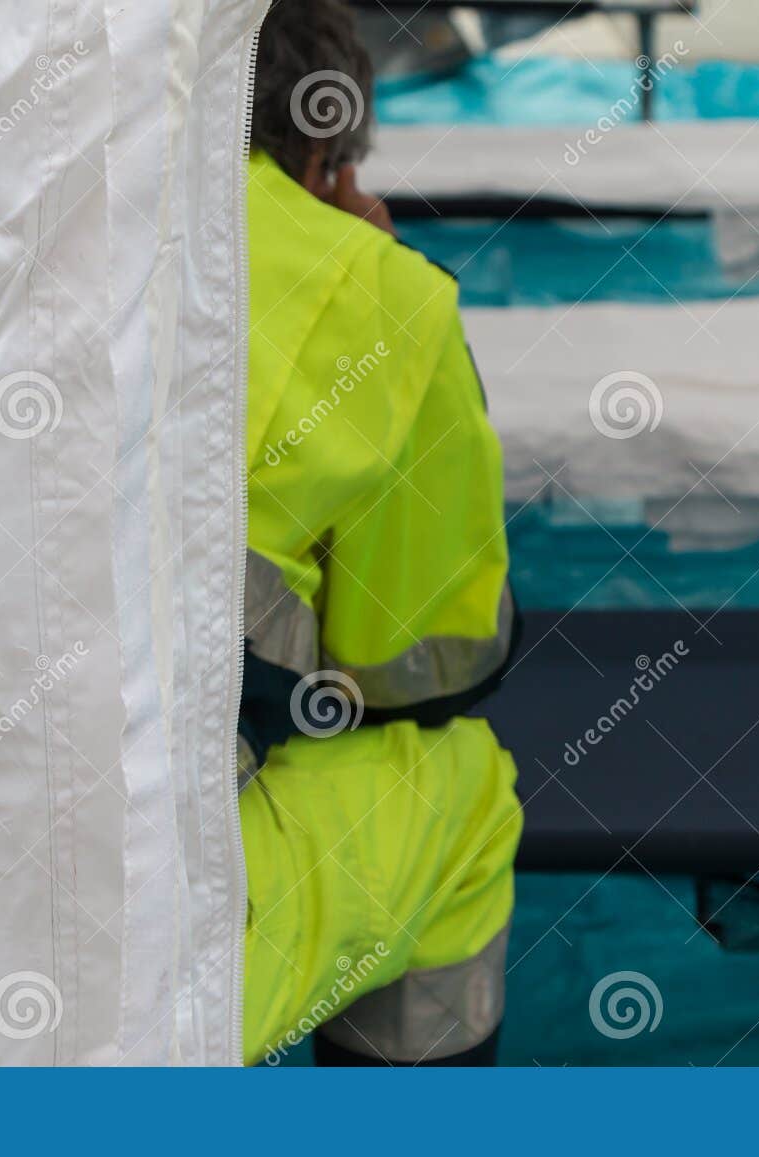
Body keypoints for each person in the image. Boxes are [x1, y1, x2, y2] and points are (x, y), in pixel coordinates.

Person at [237, 0, 523, 1066]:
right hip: (111, 895)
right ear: (320, 149)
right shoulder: (375, 297)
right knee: (460, 792)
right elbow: (423, 660)